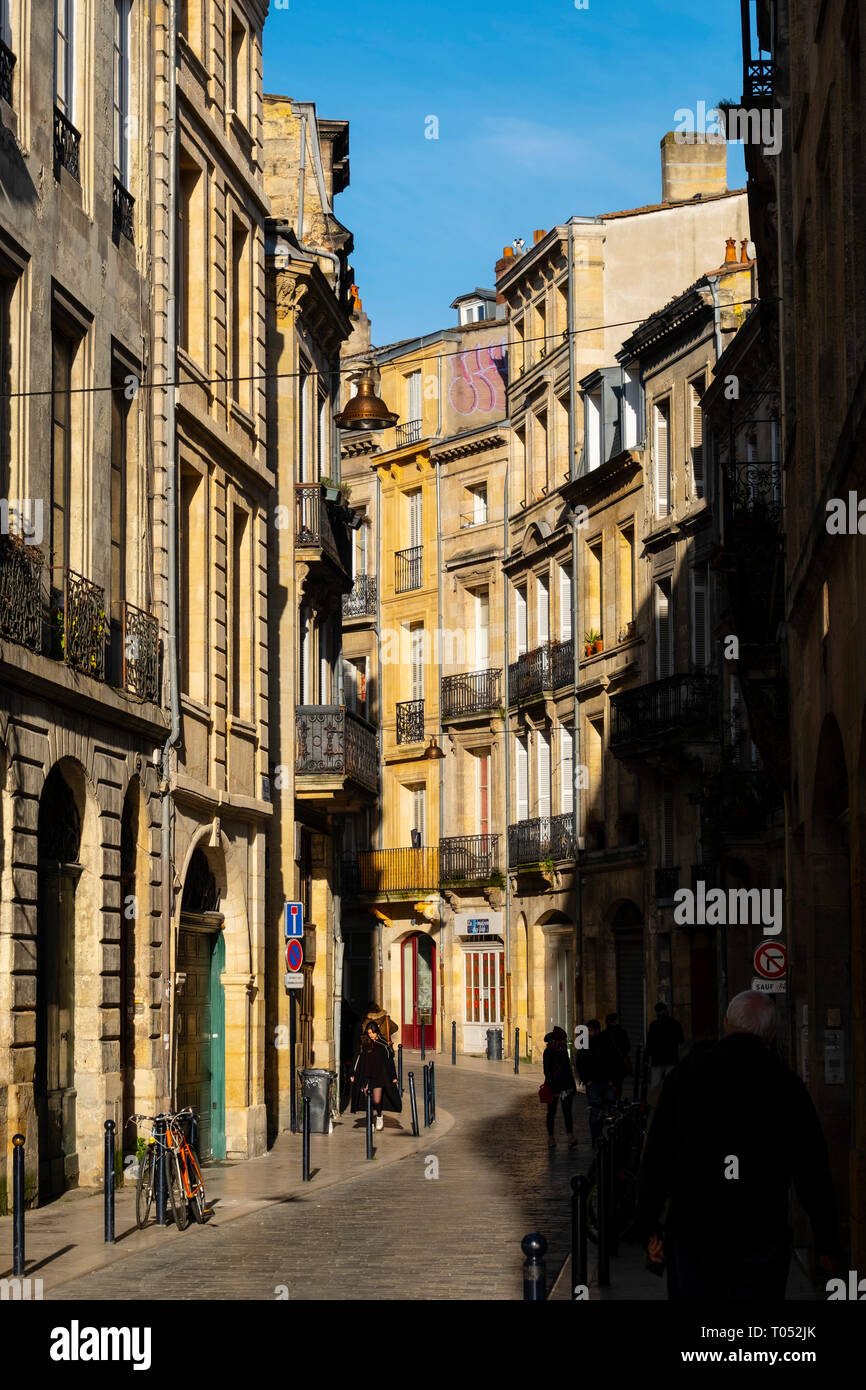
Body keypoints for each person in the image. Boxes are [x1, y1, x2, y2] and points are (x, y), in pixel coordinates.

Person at [636, 990, 839, 1300]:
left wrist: (650, 1224)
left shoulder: (687, 1076)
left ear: (726, 1024)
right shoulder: (785, 1085)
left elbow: (659, 1155)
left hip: (695, 1232)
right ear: (770, 1036)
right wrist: (826, 1240)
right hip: (761, 1235)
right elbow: (812, 1170)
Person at [575, 1018, 625, 1145]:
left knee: (610, 1111)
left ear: (597, 1031)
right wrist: (586, 1080)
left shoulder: (606, 1042)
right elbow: (580, 1063)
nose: (588, 1033)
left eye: (590, 1031)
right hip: (593, 1084)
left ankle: (610, 1138)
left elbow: (615, 1061)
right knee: (595, 1112)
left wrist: (612, 1081)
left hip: (606, 1083)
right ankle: (596, 1138)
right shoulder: (584, 1044)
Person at [349, 1020, 402, 1130]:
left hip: (378, 1076)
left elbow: (389, 1061)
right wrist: (352, 1073)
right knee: (367, 1099)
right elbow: (356, 1058)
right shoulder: (364, 1043)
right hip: (365, 1076)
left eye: (372, 1033)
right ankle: (370, 1122)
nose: (371, 1035)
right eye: (369, 1033)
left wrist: (393, 1077)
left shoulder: (383, 1044)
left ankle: (379, 1115)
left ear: (376, 1032)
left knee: (376, 1100)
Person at [542, 1026, 578, 1150]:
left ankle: (570, 1136)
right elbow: (547, 1072)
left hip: (566, 1087)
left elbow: (567, 1071)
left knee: (567, 1112)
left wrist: (571, 1088)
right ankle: (550, 1137)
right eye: (563, 1039)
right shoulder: (548, 1052)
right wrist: (554, 1089)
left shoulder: (562, 1050)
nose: (565, 1041)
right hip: (553, 1088)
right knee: (551, 1113)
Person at [645, 1002, 683, 1090]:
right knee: (671, 1084)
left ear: (656, 1012)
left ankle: (655, 1101)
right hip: (671, 1057)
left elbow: (649, 1043)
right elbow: (681, 1040)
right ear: (666, 1010)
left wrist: (646, 1057)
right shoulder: (675, 1024)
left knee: (655, 1084)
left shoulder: (654, 1025)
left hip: (657, 1058)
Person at [605, 1012, 631, 1095]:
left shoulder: (604, 1034)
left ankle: (610, 1100)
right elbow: (627, 1047)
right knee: (619, 1084)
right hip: (619, 1064)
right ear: (616, 1021)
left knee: (608, 1083)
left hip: (607, 1064)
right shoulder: (622, 1033)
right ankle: (617, 1100)